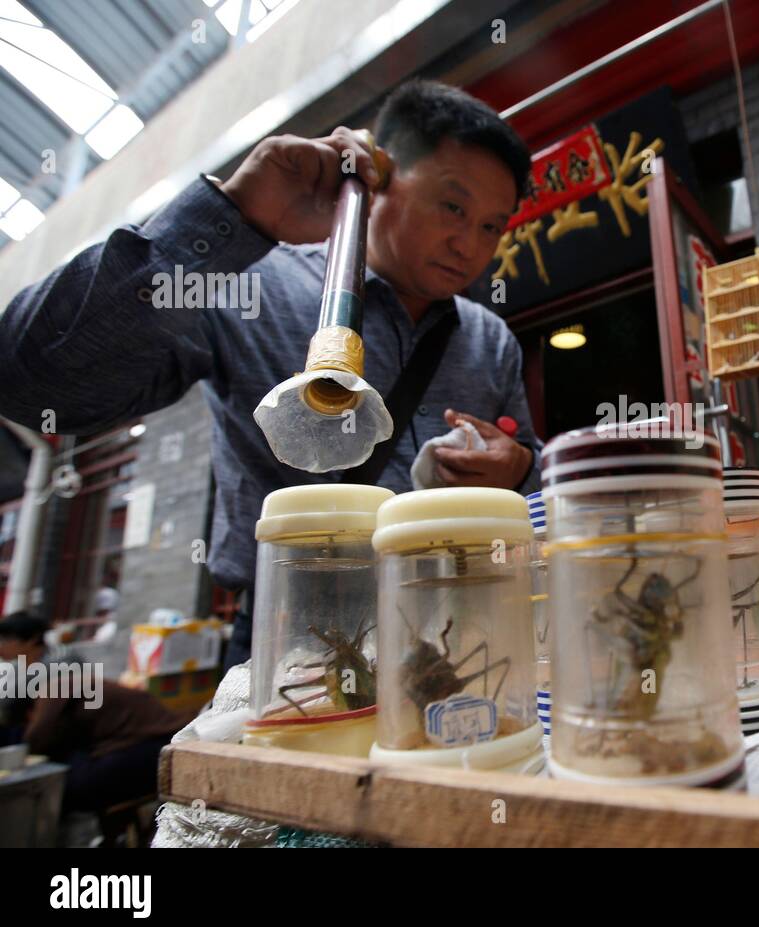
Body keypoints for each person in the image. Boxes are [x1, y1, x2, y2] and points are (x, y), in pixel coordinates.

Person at [0, 81, 544, 673]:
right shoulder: (256, 285)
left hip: (453, 633)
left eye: (493, 225)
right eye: (453, 206)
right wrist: (235, 213)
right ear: (380, 177)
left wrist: (517, 466)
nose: (469, 244)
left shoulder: (490, 340)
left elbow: (531, 477)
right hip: (291, 638)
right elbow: (33, 378)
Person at [0, 611, 192, 813]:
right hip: (148, 742)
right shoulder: (22, 670)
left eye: (7, 639)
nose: (2, 645)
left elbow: (37, 737)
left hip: (157, 746)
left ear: (31, 640)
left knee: (69, 784)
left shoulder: (58, 668)